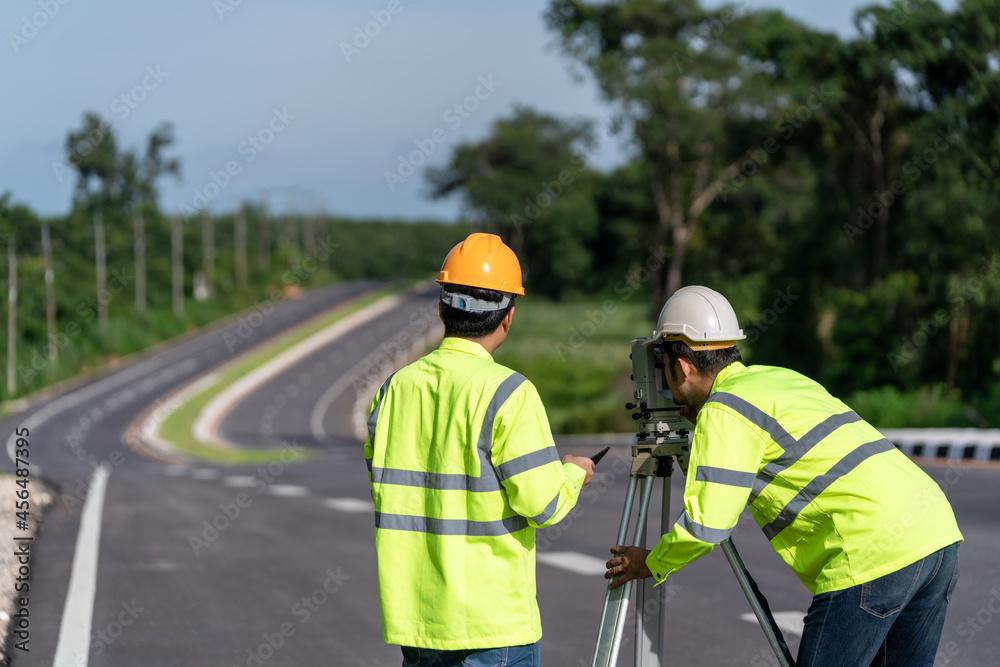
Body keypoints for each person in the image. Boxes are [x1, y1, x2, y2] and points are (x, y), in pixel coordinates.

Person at [604, 285, 962, 666]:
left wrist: (652, 563)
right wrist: (708, 416)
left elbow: (707, 526)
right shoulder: (776, 378)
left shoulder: (724, 411)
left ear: (682, 366)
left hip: (871, 552)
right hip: (936, 536)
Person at [365, 232, 595, 667]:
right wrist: (572, 472)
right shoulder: (510, 393)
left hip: (417, 625)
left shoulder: (393, 389)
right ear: (508, 316)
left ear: (442, 308)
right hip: (491, 629)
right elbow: (544, 504)